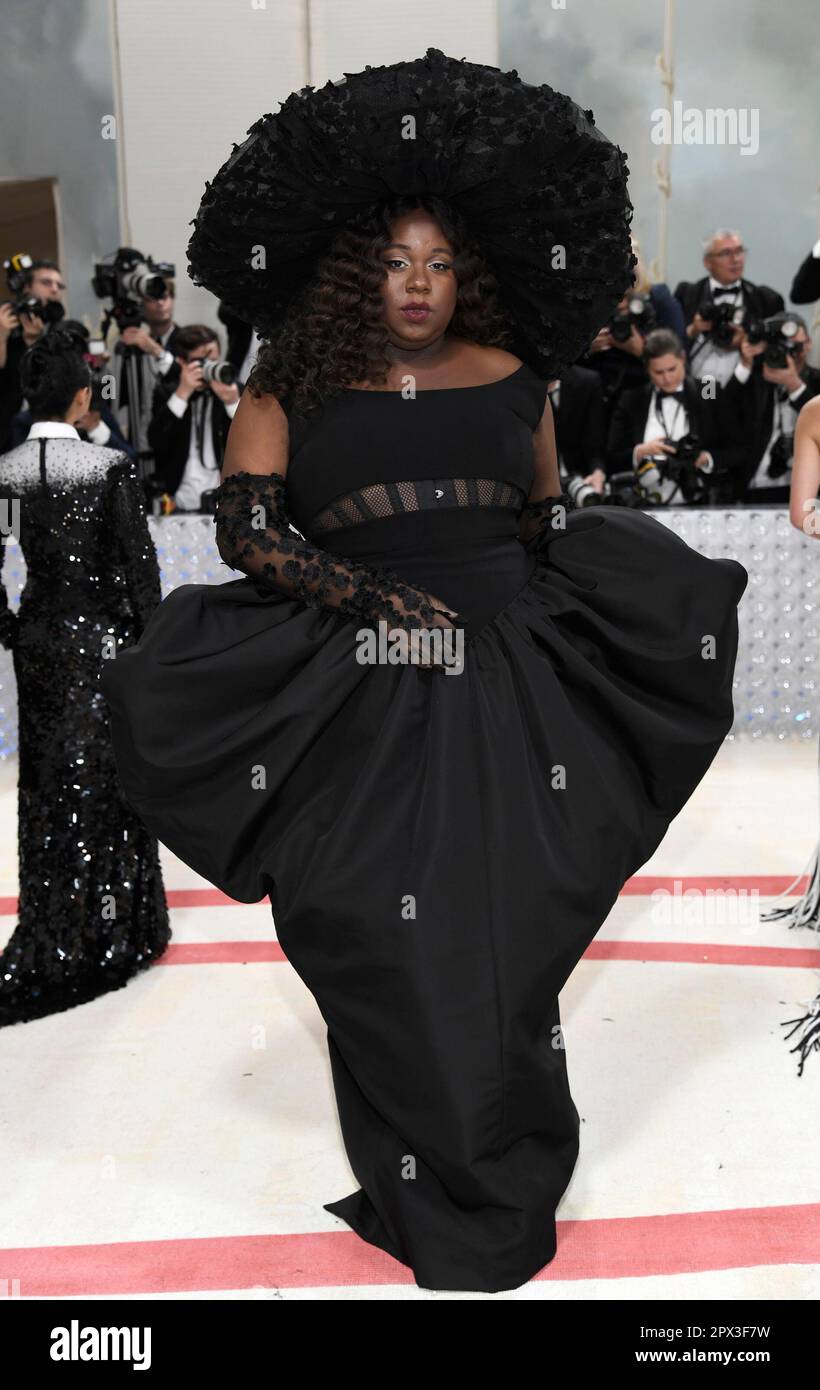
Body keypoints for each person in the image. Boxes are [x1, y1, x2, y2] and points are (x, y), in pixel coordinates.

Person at [100, 52, 748, 1294]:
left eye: (440, 263)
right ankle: (422, 1168)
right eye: (397, 262)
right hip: (366, 681)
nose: (419, 285)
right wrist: (369, 598)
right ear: (360, 270)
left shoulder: (519, 379)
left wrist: (602, 592)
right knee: (384, 941)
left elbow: (543, 516)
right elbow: (247, 531)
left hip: (508, 682)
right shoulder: (288, 380)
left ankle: (500, 1172)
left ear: (473, 272)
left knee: (501, 938)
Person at [0, 328, 170, 1024]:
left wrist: (12, 627)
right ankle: (113, 928)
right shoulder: (107, 470)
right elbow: (141, 575)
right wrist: (151, 653)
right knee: (105, 784)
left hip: (38, 644)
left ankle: (56, 922)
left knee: (47, 785)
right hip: (106, 648)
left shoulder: (6, 471)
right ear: (80, 398)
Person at [607, 328, 746, 503]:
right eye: (658, 372)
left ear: (683, 359)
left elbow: (737, 449)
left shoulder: (707, 389)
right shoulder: (632, 398)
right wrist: (640, 452)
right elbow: (611, 456)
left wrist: (707, 459)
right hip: (643, 503)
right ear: (647, 369)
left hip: (701, 499)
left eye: (672, 369)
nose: (667, 378)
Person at [722, 313, 820, 503]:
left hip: (810, 492)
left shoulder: (817, 382)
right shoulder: (754, 382)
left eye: (794, 347)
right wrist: (744, 365)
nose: (787, 354)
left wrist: (794, 386)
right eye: (780, 347)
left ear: (808, 345)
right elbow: (720, 415)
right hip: (757, 486)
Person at [675, 230, 784, 388]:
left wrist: (746, 342)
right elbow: (669, 344)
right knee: (708, 404)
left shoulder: (765, 299)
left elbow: (777, 352)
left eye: (739, 252)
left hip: (746, 391)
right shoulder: (688, 295)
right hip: (705, 384)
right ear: (707, 262)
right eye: (726, 253)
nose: (735, 260)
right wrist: (693, 329)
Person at [147, 324, 240, 509]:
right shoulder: (167, 391)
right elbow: (155, 441)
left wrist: (232, 404)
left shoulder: (233, 388)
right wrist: (182, 394)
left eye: (213, 361)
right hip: (176, 502)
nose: (208, 368)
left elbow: (251, 443)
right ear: (181, 362)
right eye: (201, 362)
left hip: (224, 502)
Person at [0, 259, 66, 453]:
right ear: (26, 287)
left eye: (59, 285)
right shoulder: (7, 326)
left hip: (51, 442)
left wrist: (33, 343)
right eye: (46, 283)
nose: (54, 290)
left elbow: (56, 386)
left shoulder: (62, 333)